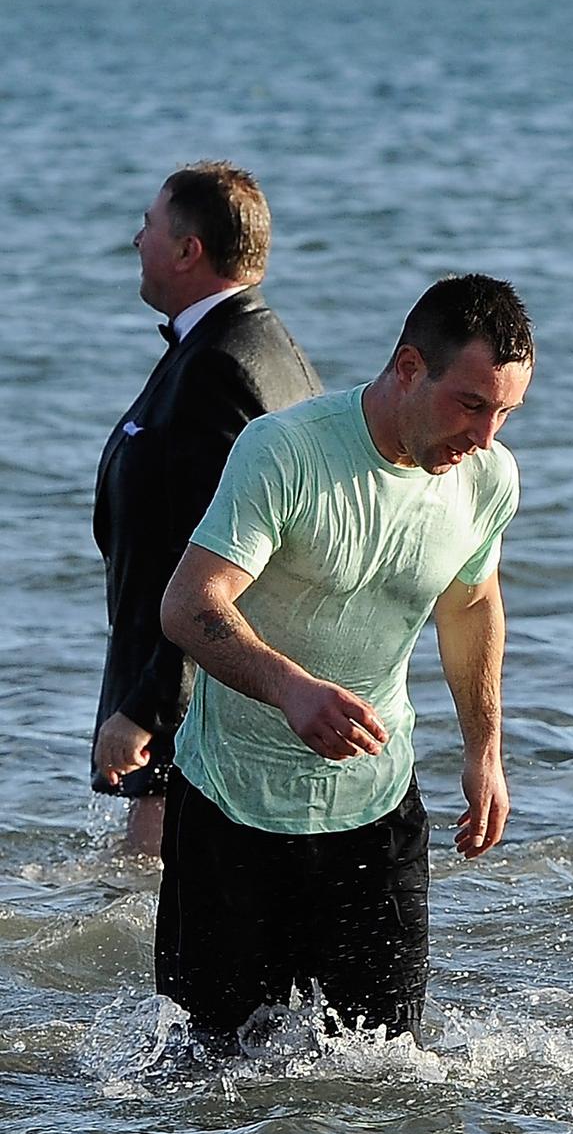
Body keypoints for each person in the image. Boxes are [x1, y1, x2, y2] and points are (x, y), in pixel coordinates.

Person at [155, 275, 532, 1051]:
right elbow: (188, 605)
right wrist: (290, 687)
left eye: (504, 412)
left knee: (387, 1080)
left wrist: (484, 750)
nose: (485, 435)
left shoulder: (488, 478)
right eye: (470, 404)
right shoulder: (285, 450)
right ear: (408, 367)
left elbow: (470, 604)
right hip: (231, 811)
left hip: (376, 815)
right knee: (206, 1083)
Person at [93, 163, 321, 855]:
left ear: (189, 250)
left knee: (151, 889)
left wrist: (148, 708)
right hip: (211, 692)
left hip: (197, 706)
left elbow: (219, 563)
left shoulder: (220, 367)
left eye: (150, 226)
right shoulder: (247, 343)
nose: (137, 240)